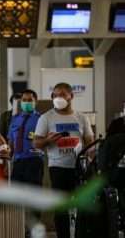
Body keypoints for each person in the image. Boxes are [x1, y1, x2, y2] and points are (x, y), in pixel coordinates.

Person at [34, 83, 94, 238]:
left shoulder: (81, 117)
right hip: (58, 167)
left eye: (62, 94)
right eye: (55, 95)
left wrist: (88, 154)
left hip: (79, 168)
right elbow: (36, 143)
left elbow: (90, 140)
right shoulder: (46, 117)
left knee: (82, 206)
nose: (57, 98)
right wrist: (48, 140)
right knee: (61, 208)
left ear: (71, 96)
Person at [9, 89, 43, 186]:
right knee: (17, 194)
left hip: (34, 161)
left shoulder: (41, 119)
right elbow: (11, 141)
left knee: (34, 195)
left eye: (30, 100)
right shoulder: (15, 119)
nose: (27, 102)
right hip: (17, 161)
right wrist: (8, 161)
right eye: (24, 100)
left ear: (35, 102)